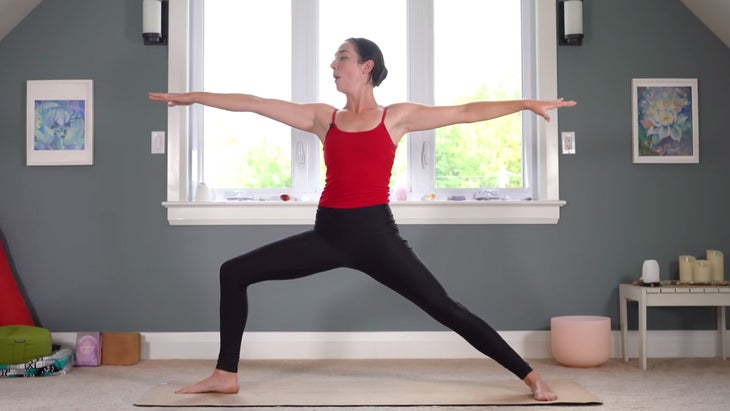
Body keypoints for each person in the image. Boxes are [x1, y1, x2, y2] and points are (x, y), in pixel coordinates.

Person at [149, 37, 576, 402]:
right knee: (234, 272)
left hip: (376, 237)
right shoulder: (324, 118)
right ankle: (226, 374)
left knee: (444, 307)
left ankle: (530, 375)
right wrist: (193, 97)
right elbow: (256, 104)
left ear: (365, 66)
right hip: (328, 234)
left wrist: (523, 103)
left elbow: (465, 111)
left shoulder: (396, 117)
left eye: (341, 58)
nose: (333, 66)